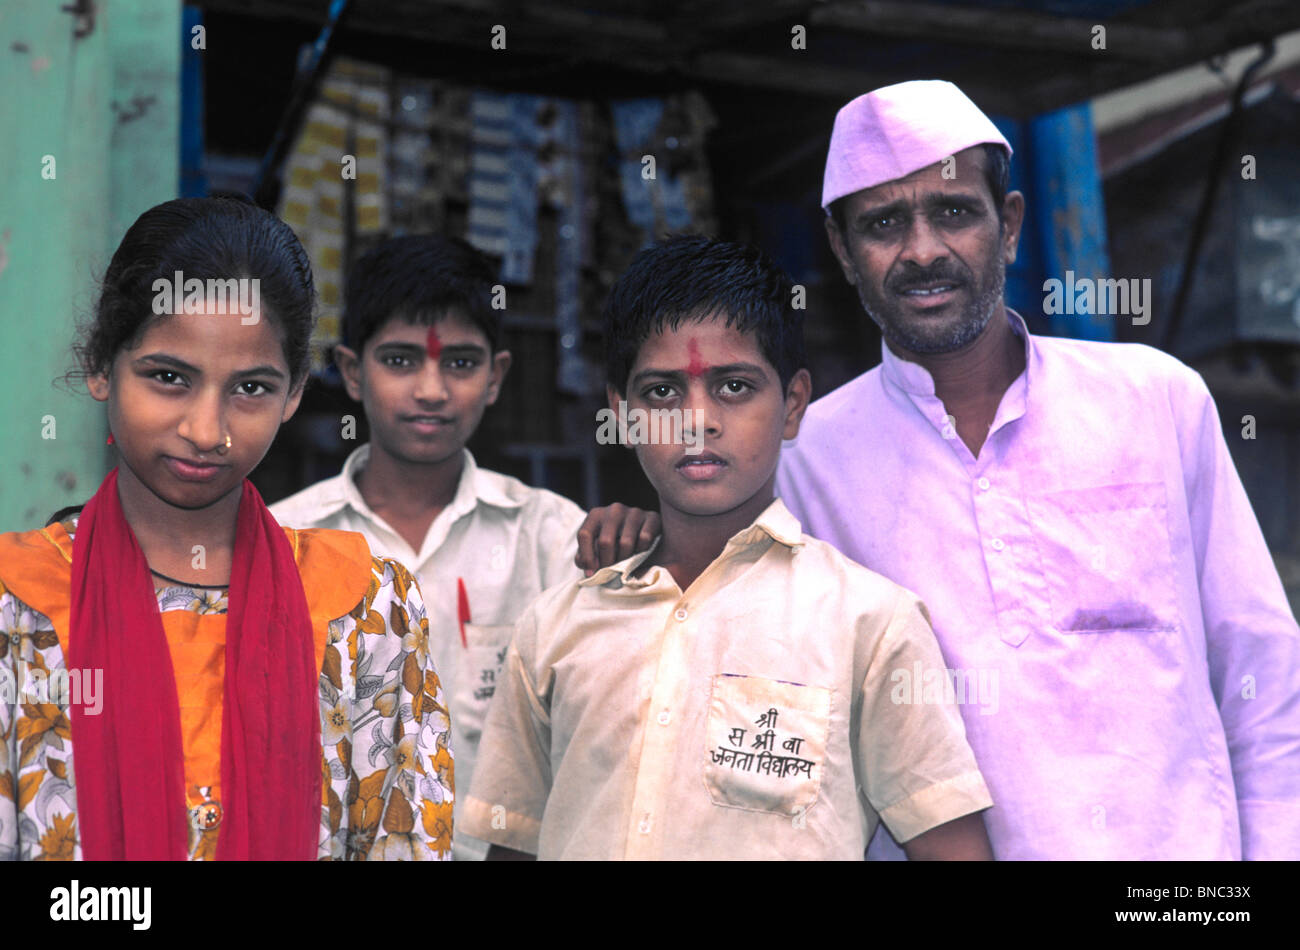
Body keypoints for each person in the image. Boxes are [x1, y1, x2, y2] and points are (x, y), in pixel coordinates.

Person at [579, 80, 1300, 860]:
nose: (922, 250)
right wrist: (643, 540)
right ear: (843, 252)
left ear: (1009, 225)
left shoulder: (1155, 399)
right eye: (884, 223)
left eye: (953, 211)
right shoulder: (801, 459)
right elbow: (744, 679)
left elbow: (1264, 673)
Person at [463, 235, 996, 860]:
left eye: (735, 387)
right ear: (622, 413)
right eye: (662, 392)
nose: (697, 420)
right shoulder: (557, 625)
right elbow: (513, 844)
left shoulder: (868, 625)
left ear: (792, 405)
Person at [0, 196, 453, 861]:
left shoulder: (366, 608)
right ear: (101, 365)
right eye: (168, 377)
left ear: (294, 393)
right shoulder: (17, 606)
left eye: (251, 389)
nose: (207, 430)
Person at [269, 235, 584, 860]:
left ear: (496, 377)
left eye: (461, 363)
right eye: (401, 360)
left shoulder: (551, 538)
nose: (432, 390)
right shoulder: (285, 542)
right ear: (352, 372)